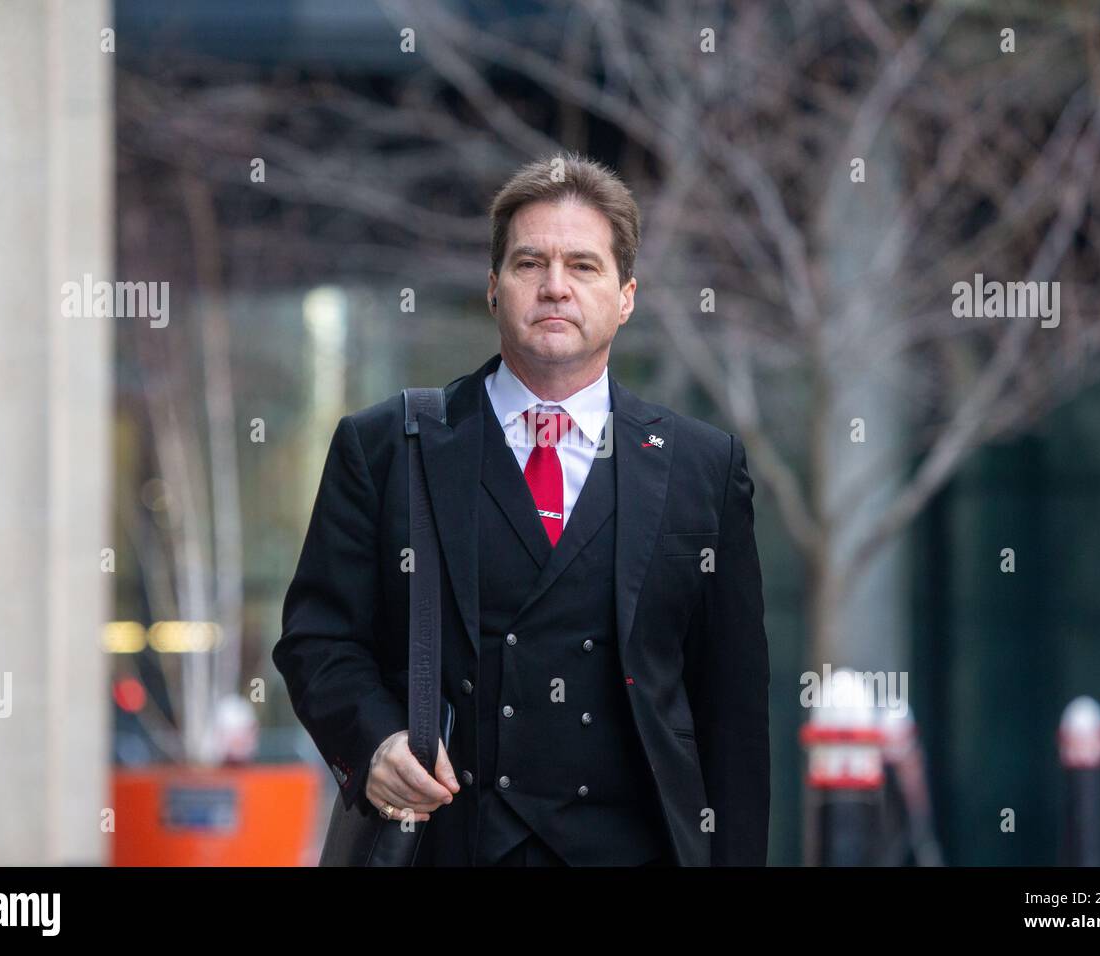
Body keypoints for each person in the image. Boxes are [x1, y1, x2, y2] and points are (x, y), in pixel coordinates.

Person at [274, 151, 770, 866]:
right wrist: (374, 740)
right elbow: (317, 639)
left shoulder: (703, 467)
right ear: (493, 288)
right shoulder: (384, 446)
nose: (555, 287)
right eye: (530, 264)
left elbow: (732, 715)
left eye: (584, 266)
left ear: (626, 296)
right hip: (448, 848)